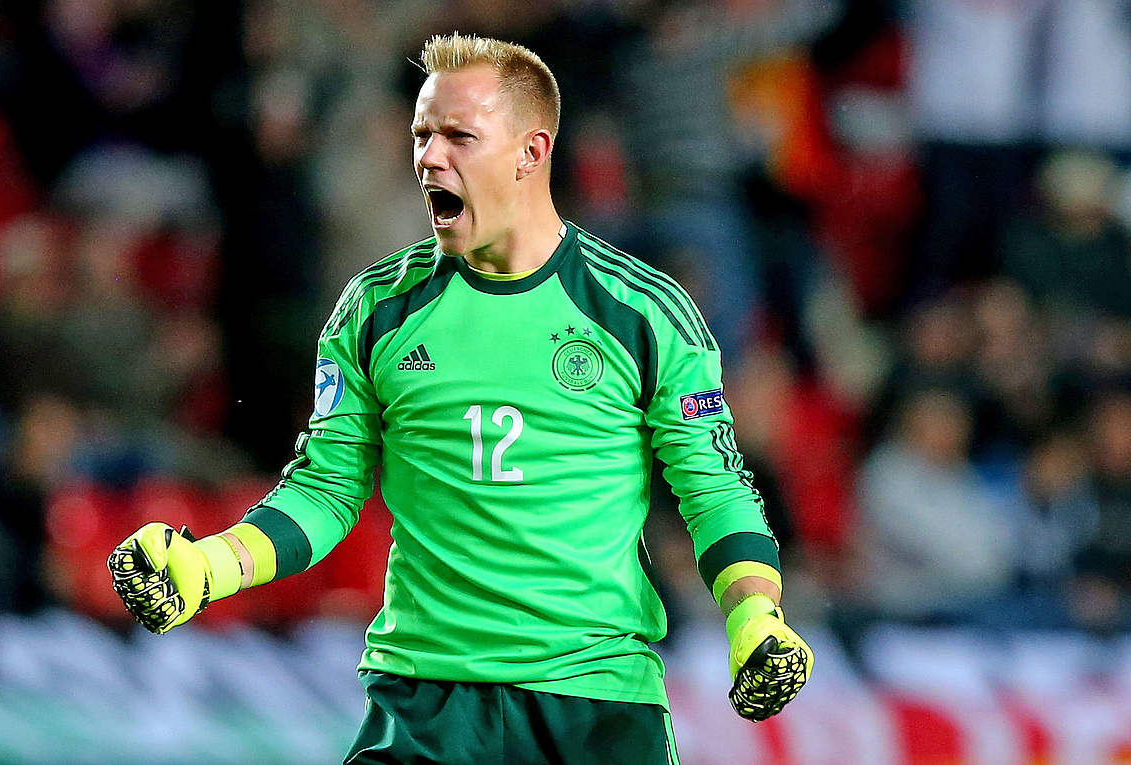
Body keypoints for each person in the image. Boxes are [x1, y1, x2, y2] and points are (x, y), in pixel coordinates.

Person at [107, 33, 812, 764]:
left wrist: (753, 615)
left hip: (594, 706)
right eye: (422, 136)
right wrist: (210, 566)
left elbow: (712, 489)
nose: (429, 158)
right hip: (426, 703)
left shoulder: (640, 313)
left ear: (531, 152)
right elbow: (326, 490)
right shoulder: (377, 309)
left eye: (458, 137)